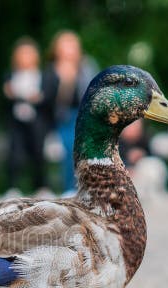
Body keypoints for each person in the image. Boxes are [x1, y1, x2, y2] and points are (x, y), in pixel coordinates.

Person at [44, 30, 99, 197]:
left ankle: (90, 187)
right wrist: (64, 82)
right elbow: (52, 103)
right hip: (62, 119)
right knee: (70, 146)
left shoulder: (87, 67)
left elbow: (94, 94)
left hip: (84, 116)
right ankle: (69, 187)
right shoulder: (51, 70)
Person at [3, 37, 52, 198]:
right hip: (16, 121)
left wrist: (38, 98)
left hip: (36, 122)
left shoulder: (43, 75)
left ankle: (42, 186)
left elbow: (47, 96)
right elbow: (7, 94)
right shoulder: (11, 75)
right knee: (15, 154)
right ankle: (13, 187)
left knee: (39, 154)